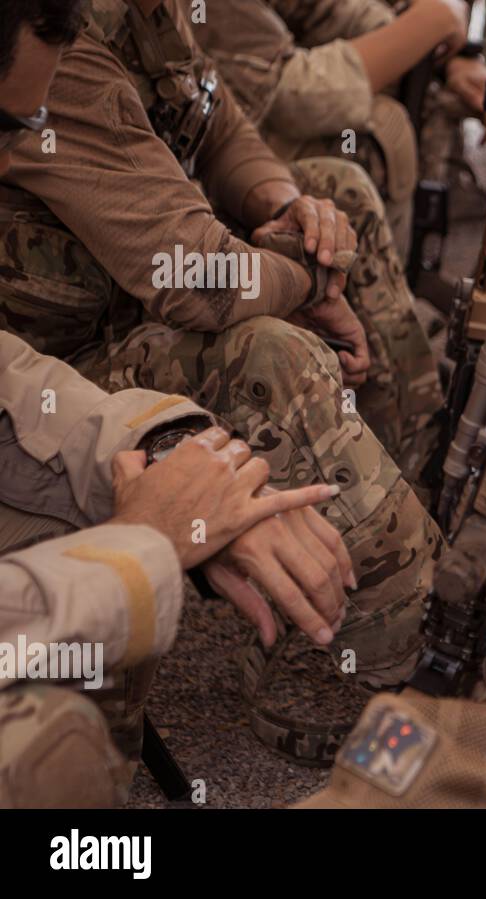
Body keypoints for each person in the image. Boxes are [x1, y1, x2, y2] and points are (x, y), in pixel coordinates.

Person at [0, 0, 449, 758]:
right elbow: (197, 277)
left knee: (339, 202)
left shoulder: (145, 12)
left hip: (115, 317)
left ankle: (419, 514)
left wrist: (289, 207)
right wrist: (307, 278)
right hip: (63, 361)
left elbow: (219, 126)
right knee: (271, 355)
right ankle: (422, 682)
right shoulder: (48, 42)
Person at [194, 0, 484, 261]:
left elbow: (330, 10)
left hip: (238, 133)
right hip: (209, 161)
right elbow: (289, 97)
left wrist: (445, 52)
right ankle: (378, 291)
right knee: (383, 126)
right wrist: (431, 24)